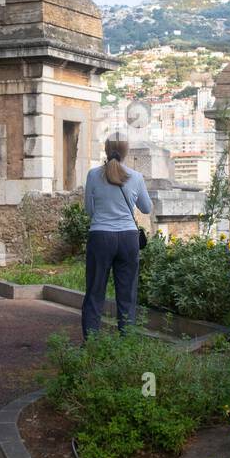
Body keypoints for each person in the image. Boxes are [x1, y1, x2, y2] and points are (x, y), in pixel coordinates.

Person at [81, 137, 152, 339]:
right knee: (127, 295)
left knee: (95, 293)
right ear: (126, 152)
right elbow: (146, 208)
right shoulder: (136, 177)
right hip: (128, 239)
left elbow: (89, 209)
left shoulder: (93, 175)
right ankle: (126, 342)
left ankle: (91, 343)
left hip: (100, 237)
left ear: (105, 149)